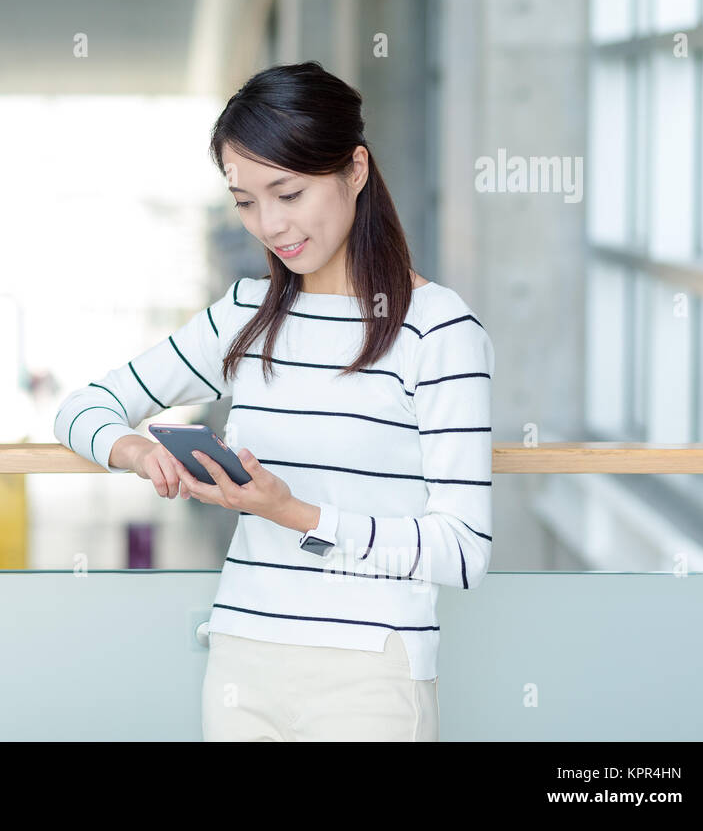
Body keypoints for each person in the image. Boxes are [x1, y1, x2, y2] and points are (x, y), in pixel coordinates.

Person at [53, 61, 495, 741]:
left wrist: (292, 512)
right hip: (241, 658)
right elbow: (82, 406)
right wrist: (137, 450)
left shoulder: (437, 330)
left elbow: (461, 552)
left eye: (288, 193)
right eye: (246, 200)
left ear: (355, 170)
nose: (270, 224)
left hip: (372, 672)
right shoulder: (245, 313)